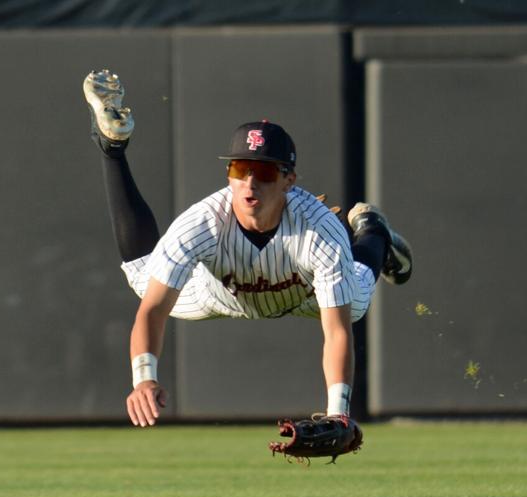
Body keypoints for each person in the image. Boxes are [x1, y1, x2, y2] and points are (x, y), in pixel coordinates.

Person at [82, 69, 412, 428]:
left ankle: (372, 230)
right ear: (228, 175)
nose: (250, 181)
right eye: (240, 168)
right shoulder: (203, 223)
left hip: (303, 295)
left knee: (357, 302)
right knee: (145, 283)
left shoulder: (318, 228)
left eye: (265, 172)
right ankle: (113, 148)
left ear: (289, 180)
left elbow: (336, 331)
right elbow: (152, 312)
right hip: (216, 293)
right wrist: (144, 378)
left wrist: (338, 414)